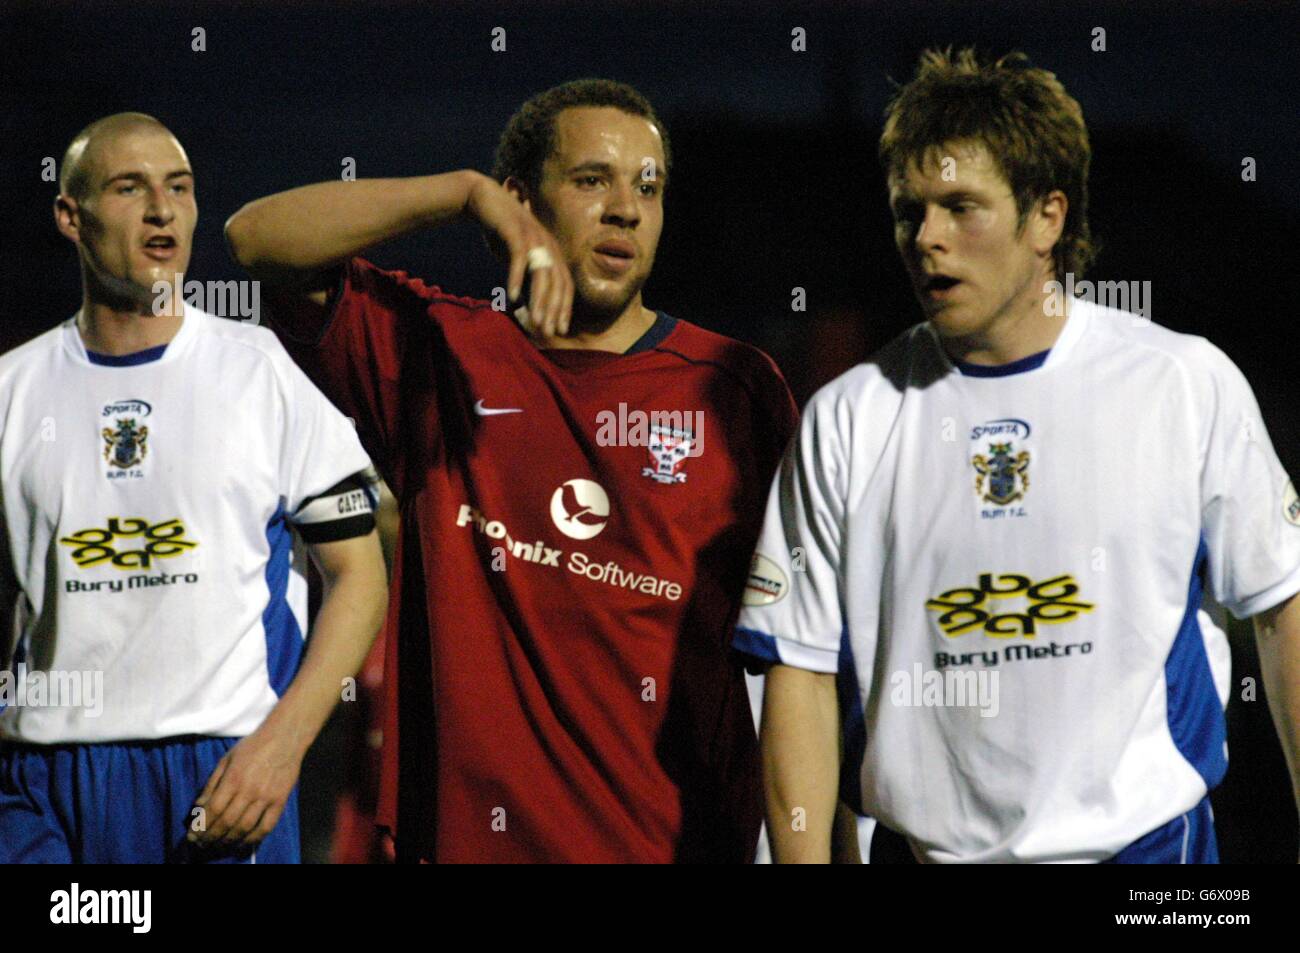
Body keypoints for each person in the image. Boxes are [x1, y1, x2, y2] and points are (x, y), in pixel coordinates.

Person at [736, 49, 1300, 863]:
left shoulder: (1183, 384)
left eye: (960, 206)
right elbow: (799, 671)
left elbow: (1283, 607)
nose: (926, 238)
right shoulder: (846, 420)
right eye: (909, 210)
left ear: (1048, 217)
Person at [225, 79, 798, 862]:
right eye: (593, 179)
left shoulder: (733, 386)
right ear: (524, 200)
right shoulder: (442, 356)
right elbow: (257, 238)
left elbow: (805, 652)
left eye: (649, 186)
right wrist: (464, 194)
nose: (626, 207)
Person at [0, 113, 388, 863]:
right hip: (40, 778)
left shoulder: (259, 370)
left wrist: (283, 745)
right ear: (69, 216)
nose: (162, 209)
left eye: (178, 187)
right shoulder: (12, 391)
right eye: (129, 187)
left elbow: (360, 575)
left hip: (219, 779)